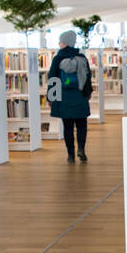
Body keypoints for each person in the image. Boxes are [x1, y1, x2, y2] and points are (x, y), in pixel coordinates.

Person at [46, 30, 93, 164]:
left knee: (67, 127)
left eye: (60, 41)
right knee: (82, 125)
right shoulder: (82, 58)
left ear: (65, 42)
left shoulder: (58, 58)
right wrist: (88, 93)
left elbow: (53, 78)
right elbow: (88, 77)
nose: (59, 43)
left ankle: (70, 155)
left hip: (64, 97)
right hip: (79, 96)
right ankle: (82, 149)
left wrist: (51, 97)